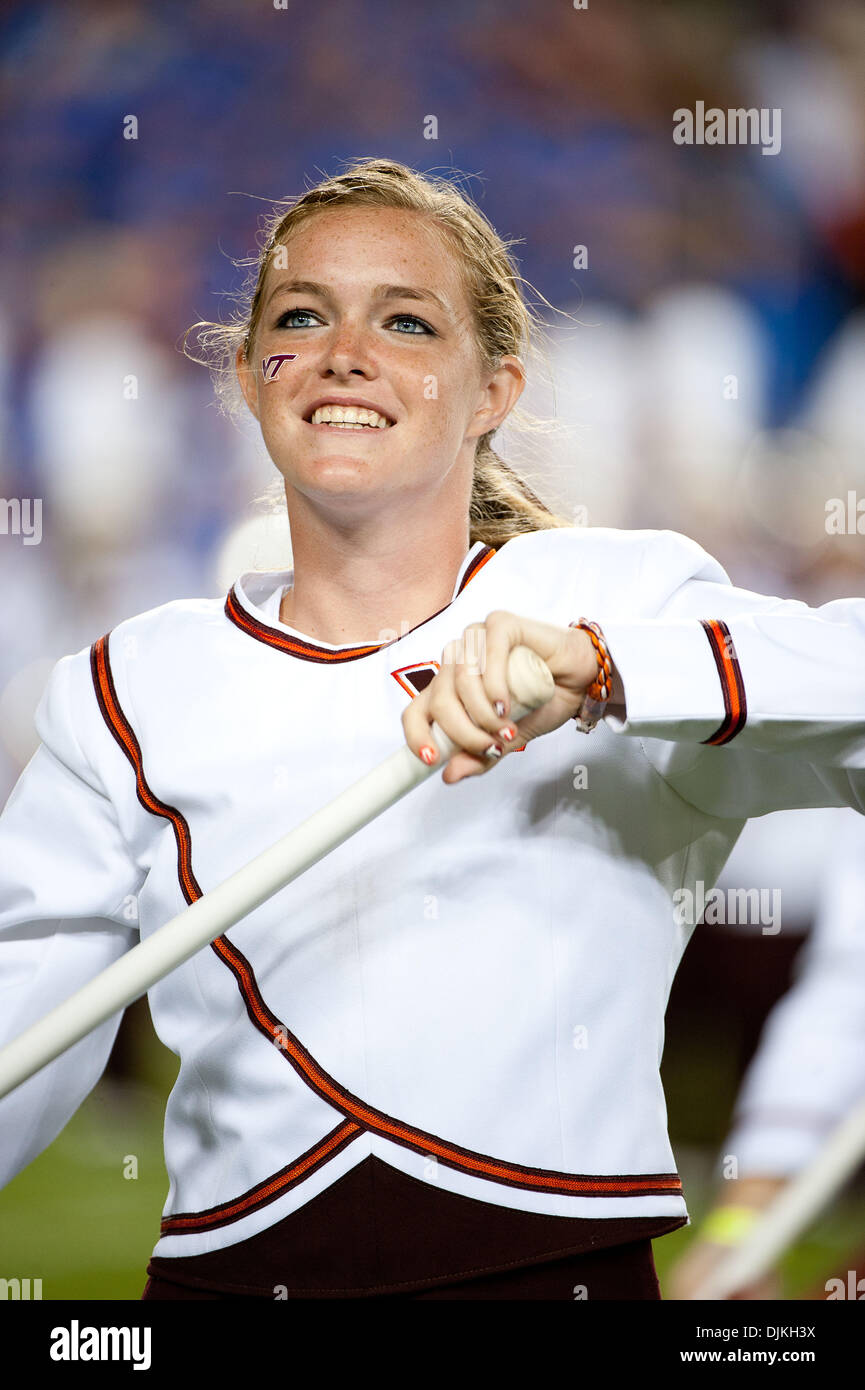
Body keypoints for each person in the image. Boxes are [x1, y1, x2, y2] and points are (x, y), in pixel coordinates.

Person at [0, 158, 863, 1302]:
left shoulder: (618, 595)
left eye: (405, 321)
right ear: (254, 377)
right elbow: (28, 1035)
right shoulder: (124, 685)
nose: (343, 350)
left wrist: (604, 668)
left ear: (494, 388)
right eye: (300, 316)